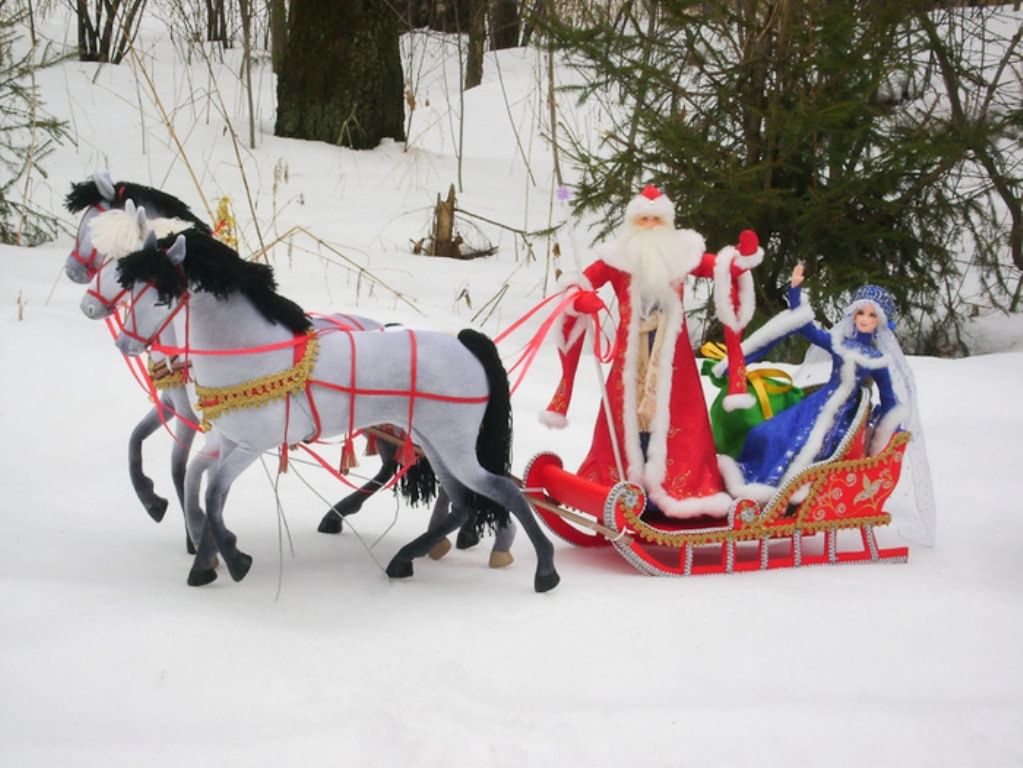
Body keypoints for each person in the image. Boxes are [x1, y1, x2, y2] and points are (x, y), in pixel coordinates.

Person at [541, 184, 762, 518]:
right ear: (633, 222)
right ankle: (623, 487)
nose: (648, 225)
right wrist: (579, 298)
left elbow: (718, 267)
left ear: (667, 223)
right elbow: (580, 282)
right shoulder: (617, 257)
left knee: (676, 419)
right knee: (627, 419)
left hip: (674, 361)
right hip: (630, 359)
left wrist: (740, 259)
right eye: (642, 219)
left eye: (655, 219)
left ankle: (677, 492)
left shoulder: (681, 255)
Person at [716, 264, 913, 504]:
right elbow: (808, 329)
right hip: (816, 405)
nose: (864, 319)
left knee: (802, 447)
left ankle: (781, 494)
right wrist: (796, 291)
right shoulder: (839, 343)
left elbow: (889, 397)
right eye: (861, 313)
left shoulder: (877, 360)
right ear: (853, 314)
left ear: (880, 322)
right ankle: (751, 482)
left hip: (840, 421)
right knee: (767, 432)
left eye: (872, 315)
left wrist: (893, 430)